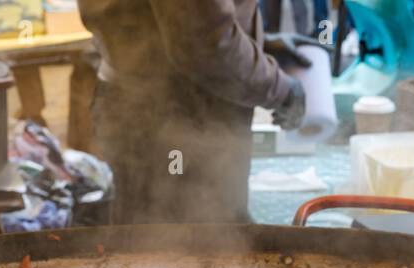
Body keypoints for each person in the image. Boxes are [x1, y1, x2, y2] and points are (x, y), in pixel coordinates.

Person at [79, 0, 309, 224]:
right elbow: (203, 42)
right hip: (175, 120)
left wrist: (252, 37)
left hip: (159, 105)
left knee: (201, 235)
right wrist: (281, 90)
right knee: (182, 240)